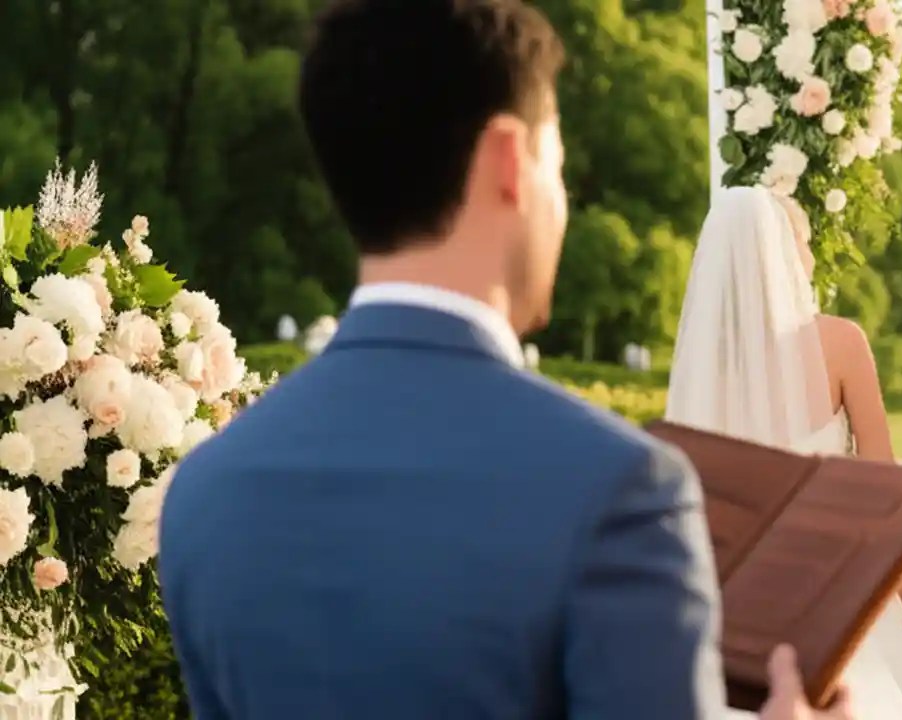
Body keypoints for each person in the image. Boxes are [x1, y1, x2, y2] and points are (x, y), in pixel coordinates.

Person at [157, 1, 853, 718]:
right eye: (559, 167)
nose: (564, 201)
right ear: (509, 160)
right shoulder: (620, 490)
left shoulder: (207, 490)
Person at [664, 185, 902, 720]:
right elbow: (888, 492)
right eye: (804, 243)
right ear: (782, 253)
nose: (809, 257)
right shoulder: (840, 343)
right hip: (836, 599)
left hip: (736, 613)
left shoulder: (702, 371)